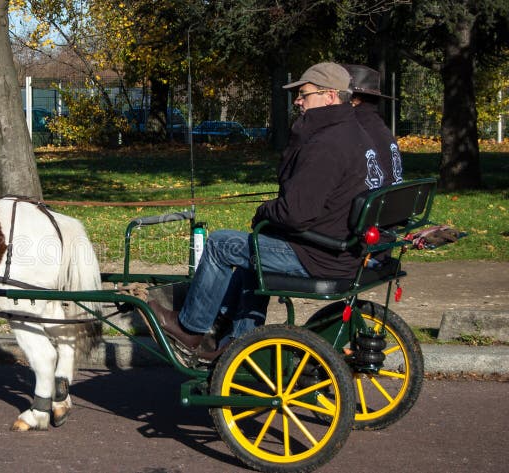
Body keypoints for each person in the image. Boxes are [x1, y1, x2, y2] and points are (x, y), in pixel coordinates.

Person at [150, 62, 378, 362]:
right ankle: (240, 343)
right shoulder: (354, 133)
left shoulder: (327, 144)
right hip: (339, 247)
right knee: (249, 254)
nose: (297, 101)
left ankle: (191, 327)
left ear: (330, 97)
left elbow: (296, 213)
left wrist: (264, 210)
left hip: (319, 255)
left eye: (304, 94)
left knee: (221, 244)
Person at [344, 64, 403, 187]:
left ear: (354, 100)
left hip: (368, 203)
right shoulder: (378, 125)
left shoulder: (355, 127)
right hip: (389, 201)